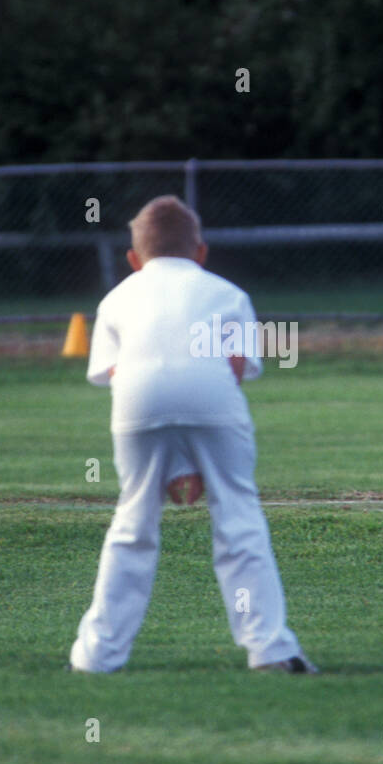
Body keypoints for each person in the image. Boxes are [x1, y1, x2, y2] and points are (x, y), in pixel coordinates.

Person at [69, 195, 317, 673]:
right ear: (200, 251)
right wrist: (199, 459)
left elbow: (115, 372)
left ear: (134, 259)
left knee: (132, 525)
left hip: (136, 401)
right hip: (213, 400)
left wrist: (173, 462)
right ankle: (270, 649)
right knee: (239, 520)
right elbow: (237, 368)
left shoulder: (117, 297)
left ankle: (97, 657)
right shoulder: (228, 294)